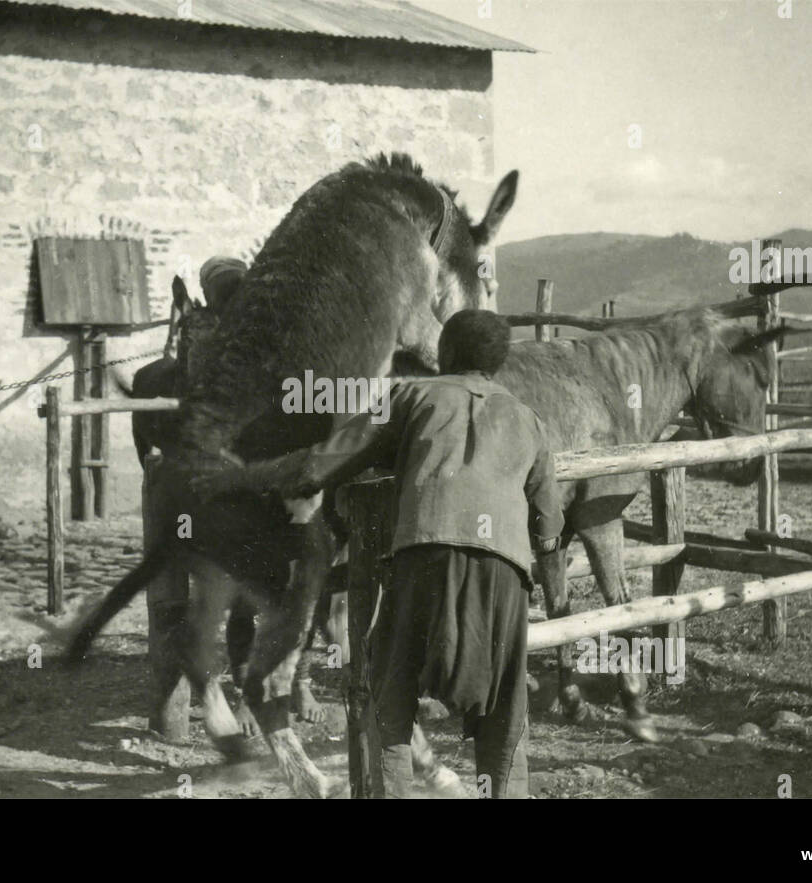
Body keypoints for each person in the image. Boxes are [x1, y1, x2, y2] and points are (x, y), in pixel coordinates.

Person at [194, 309, 563, 798]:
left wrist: (250, 479)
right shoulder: (529, 420)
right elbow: (550, 525)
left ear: (443, 355)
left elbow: (329, 459)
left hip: (423, 553)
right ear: (497, 363)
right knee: (505, 710)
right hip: (505, 573)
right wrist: (539, 553)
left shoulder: (411, 395)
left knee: (393, 698)